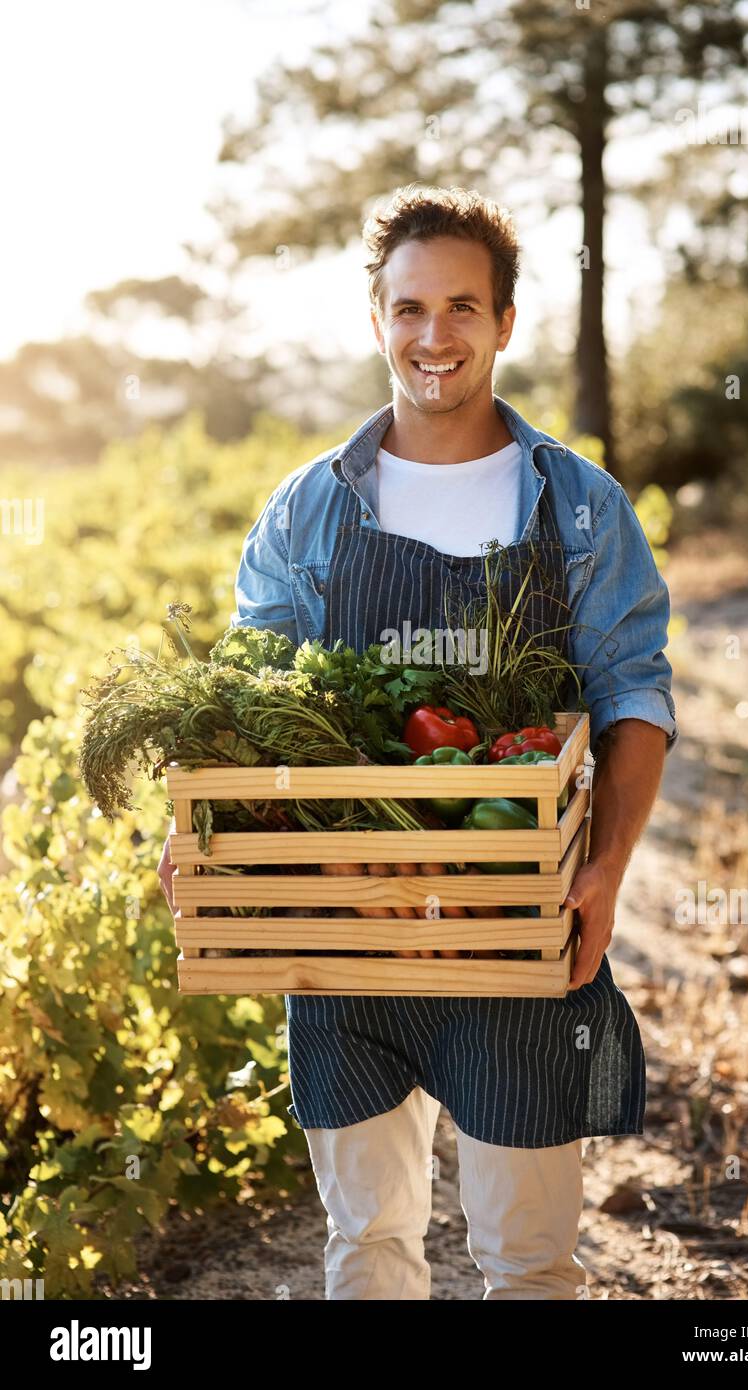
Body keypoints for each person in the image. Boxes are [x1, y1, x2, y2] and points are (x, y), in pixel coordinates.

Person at [158, 184, 678, 1300]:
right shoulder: (309, 510)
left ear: (503, 322)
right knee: (369, 1247)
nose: (432, 337)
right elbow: (248, 700)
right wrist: (200, 833)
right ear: (375, 315)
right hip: (345, 919)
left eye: (460, 307)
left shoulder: (578, 509)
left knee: (529, 1259)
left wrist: (606, 870)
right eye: (408, 308)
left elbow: (634, 696)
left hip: (518, 925)